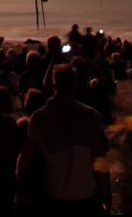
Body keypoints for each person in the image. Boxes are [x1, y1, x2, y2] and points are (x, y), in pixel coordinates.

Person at [17, 64, 109, 216]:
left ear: (54, 85)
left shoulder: (40, 118)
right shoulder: (91, 117)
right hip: (86, 196)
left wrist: (19, 184)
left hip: (56, 196)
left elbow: (25, 160)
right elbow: (100, 158)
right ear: (75, 85)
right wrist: (104, 193)